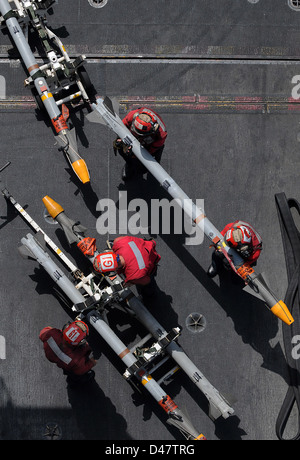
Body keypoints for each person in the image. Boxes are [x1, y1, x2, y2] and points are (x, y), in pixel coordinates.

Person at [93, 236, 161, 298]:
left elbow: (146, 281)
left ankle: (150, 297)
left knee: (148, 289)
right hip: (147, 245)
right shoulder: (118, 241)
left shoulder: (133, 275)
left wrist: (132, 282)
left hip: (152, 262)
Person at [113, 107, 167, 181]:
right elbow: (121, 127)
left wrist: (134, 154)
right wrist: (120, 140)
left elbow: (151, 150)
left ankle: (154, 168)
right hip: (136, 138)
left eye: (140, 134)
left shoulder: (161, 133)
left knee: (152, 161)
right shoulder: (132, 115)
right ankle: (129, 165)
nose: (137, 134)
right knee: (122, 151)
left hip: (151, 145)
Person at [39, 320, 97, 387]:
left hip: (52, 357)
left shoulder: (51, 334)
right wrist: (92, 362)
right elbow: (80, 371)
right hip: (68, 365)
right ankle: (74, 383)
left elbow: (43, 332)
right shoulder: (76, 359)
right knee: (76, 375)